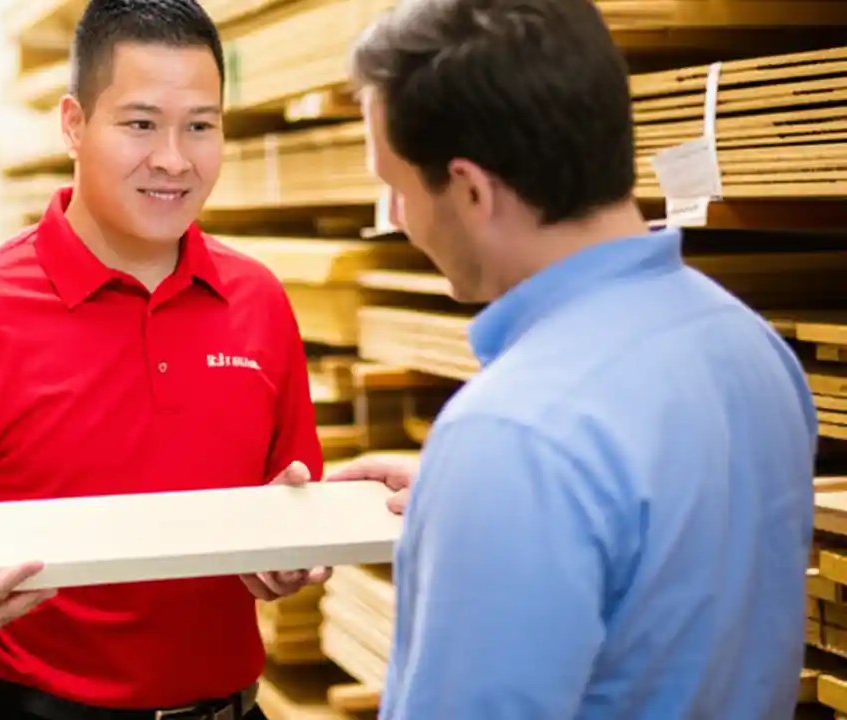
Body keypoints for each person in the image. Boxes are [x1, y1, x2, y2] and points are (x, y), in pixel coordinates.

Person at [0, 1, 327, 718]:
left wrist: (301, 544)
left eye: (200, 126)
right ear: (73, 124)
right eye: (141, 124)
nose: (174, 159)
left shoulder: (259, 302)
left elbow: (294, 503)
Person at [328, 0, 817, 717]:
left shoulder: (511, 437)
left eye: (395, 188)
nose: (397, 217)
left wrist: (491, 484)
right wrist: (473, 504)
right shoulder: (751, 347)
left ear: (470, 190)